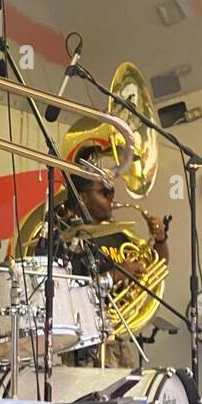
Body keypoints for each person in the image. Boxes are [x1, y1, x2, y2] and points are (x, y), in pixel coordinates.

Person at [64, 148, 168, 369]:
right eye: (105, 192)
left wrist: (159, 239)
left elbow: (156, 267)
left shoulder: (119, 234)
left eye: (112, 192)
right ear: (83, 197)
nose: (112, 198)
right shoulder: (67, 239)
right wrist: (117, 273)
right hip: (84, 343)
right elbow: (68, 290)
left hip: (118, 337)